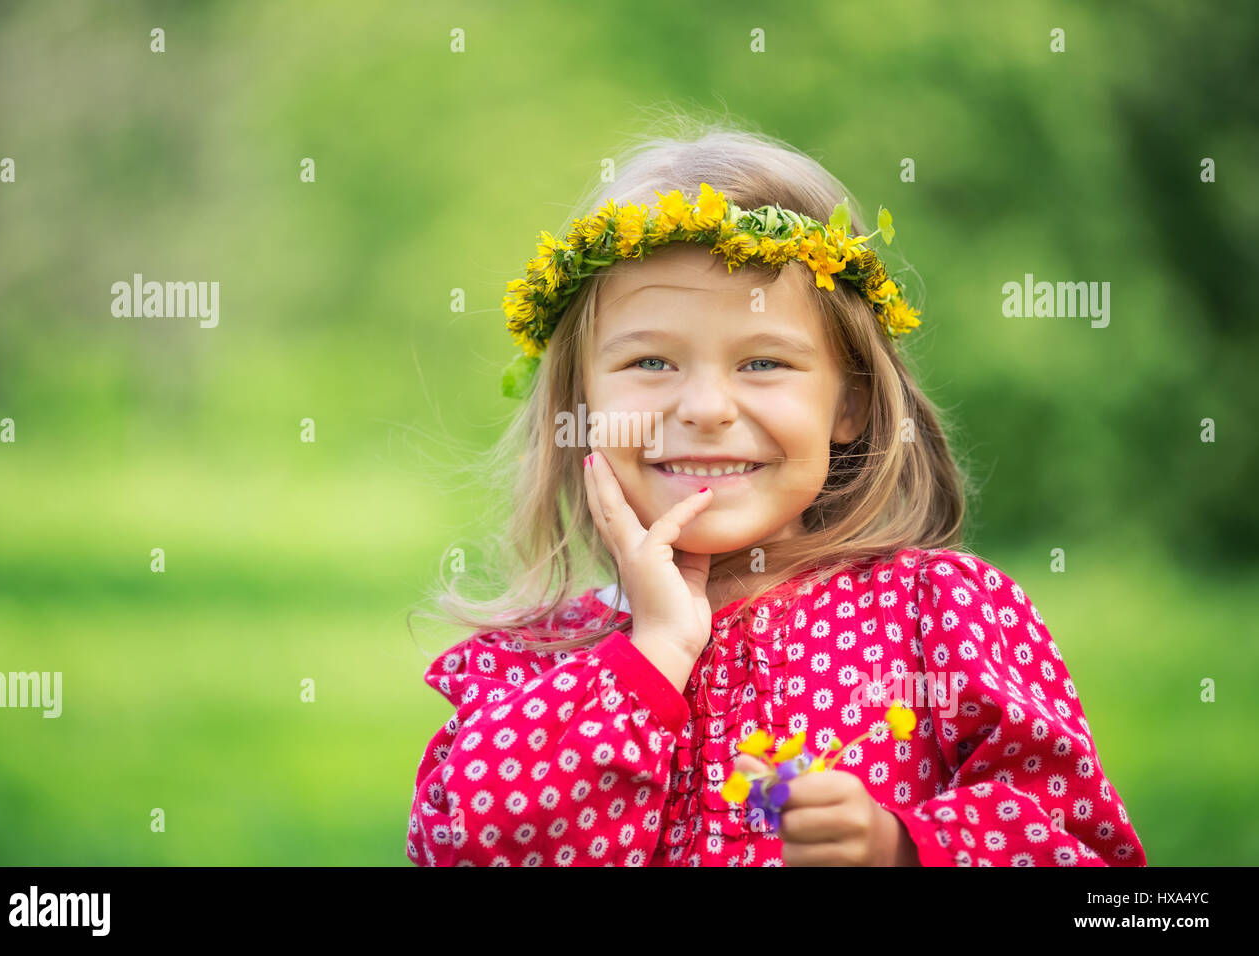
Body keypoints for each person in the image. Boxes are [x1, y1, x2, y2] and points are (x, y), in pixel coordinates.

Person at [404, 123, 1147, 867]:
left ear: (848, 403)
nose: (705, 408)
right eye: (651, 360)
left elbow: (1082, 848)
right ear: (580, 402)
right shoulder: (531, 665)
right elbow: (472, 849)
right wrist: (650, 656)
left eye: (762, 362)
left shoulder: (941, 616)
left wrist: (902, 849)